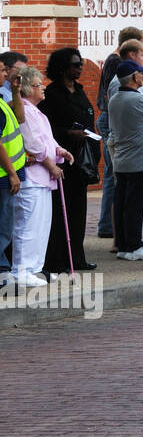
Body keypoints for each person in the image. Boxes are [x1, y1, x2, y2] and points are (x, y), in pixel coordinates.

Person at [13, 66, 74, 286]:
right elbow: (34, 145)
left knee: (41, 225)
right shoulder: (26, 112)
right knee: (28, 225)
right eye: (39, 84)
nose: (44, 88)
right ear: (28, 88)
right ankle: (22, 270)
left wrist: (59, 151)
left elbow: (47, 140)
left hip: (43, 180)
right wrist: (51, 166)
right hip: (32, 177)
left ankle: (35, 268)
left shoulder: (38, 112)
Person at [40, 47, 97, 274]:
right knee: (62, 210)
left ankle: (77, 257)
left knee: (79, 211)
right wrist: (68, 134)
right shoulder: (52, 95)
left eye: (81, 64)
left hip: (82, 159)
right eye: (75, 64)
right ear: (63, 67)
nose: (80, 68)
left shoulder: (80, 91)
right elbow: (48, 129)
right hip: (63, 158)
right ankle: (59, 259)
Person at [95, 27, 143, 240]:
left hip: (108, 119)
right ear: (131, 49)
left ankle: (110, 226)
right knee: (114, 175)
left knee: (114, 175)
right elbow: (117, 96)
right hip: (111, 121)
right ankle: (109, 226)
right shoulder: (117, 65)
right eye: (141, 51)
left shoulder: (114, 62)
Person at [107, 61, 143, 260]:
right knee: (135, 205)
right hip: (139, 160)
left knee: (121, 204)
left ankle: (123, 245)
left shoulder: (115, 98)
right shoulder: (138, 100)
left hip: (121, 159)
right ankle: (135, 246)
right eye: (141, 74)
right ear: (135, 77)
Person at [0, 70, 27, 287]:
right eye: (1, 70)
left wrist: (16, 92)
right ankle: (1, 273)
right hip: (3, 176)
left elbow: (19, 117)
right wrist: (11, 173)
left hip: (7, 174)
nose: (6, 74)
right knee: (3, 225)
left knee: (5, 224)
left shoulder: (2, 102)